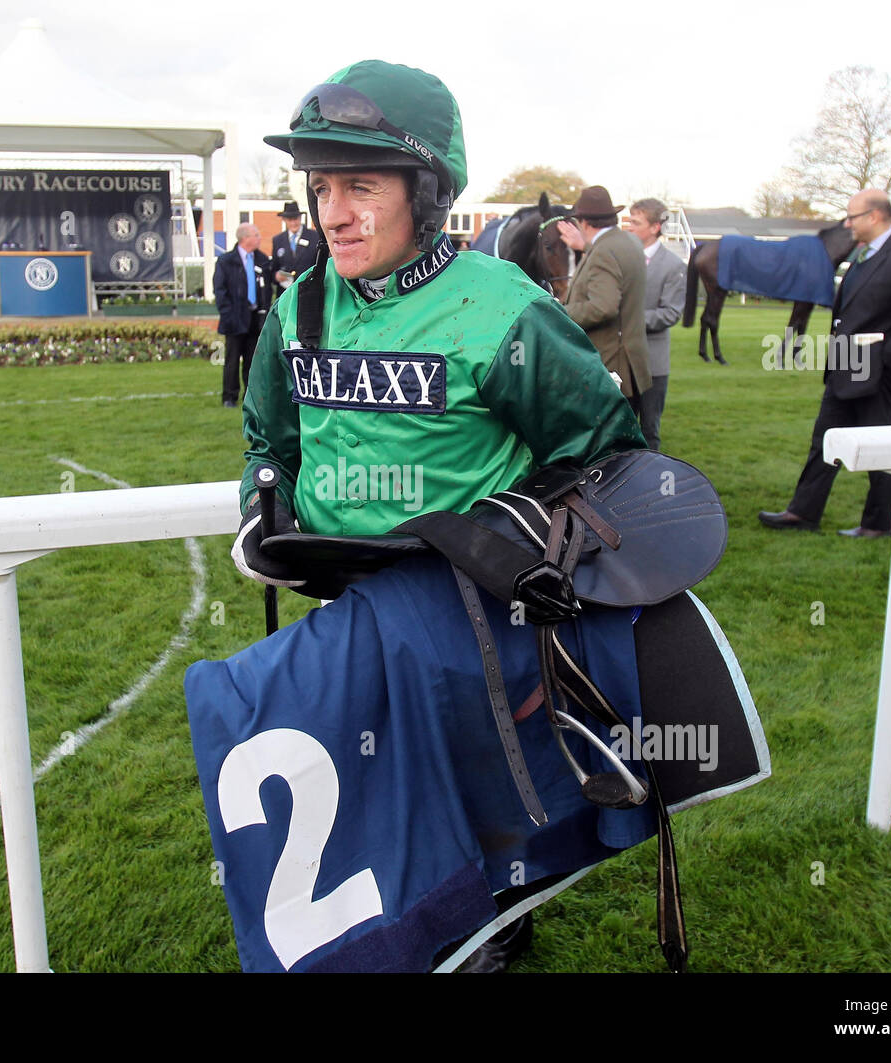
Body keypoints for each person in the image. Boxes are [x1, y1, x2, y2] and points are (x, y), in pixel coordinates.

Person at [211, 60, 651, 973]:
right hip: (343, 615)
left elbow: (606, 455)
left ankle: (490, 920)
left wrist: (524, 531)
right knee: (376, 791)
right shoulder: (298, 308)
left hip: (470, 622)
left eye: (359, 186)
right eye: (322, 186)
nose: (333, 212)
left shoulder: (507, 312)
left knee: (476, 797)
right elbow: (268, 436)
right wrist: (263, 501)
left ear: (426, 191)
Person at [758, 189, 891, 538]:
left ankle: (878, 524)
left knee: (878, 450)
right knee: (824, 441)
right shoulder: (863, 254)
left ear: (874, 216)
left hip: (875, 374)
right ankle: (802, 513)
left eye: (852, 216)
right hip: (844, 366)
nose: (847, 223)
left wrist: (884, 359)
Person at [557, 187, 651, 420]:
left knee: (606, 452)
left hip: (610, 368)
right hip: (631, 367)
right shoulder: (628, 242)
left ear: (584, 222)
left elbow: (603, 307)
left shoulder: (604, 251)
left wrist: (558, 311)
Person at [624, 198, 686, 452]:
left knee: (649, 430)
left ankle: (651, 487)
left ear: (655, 227)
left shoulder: (673, 266)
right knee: (621, 431)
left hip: (652, 365)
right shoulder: (621, 259)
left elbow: (671, 313)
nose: (629, 227)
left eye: (636, 222)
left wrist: (629, 320)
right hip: (621, 362)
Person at [213, 223, 271, 407]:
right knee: (232, 360)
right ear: (245, 238)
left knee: (252, 361)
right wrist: (228, 314)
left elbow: (268, 286)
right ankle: (229, 396)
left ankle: (250, 396)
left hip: (255, 318)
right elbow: (220, 290)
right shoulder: (226, 261)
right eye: (256, 235)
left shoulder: (262, 259)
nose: (259, 238)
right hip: (234, 318)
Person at [270, 201, 319, 290]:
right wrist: (276, 276)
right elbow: (273, 268)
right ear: (284, 220)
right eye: (289, 220)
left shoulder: (314, 237)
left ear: (300, 218)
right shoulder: (277, 240)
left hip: (308, 291)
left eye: (295, 218)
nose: (293, 223)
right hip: (285, 293)